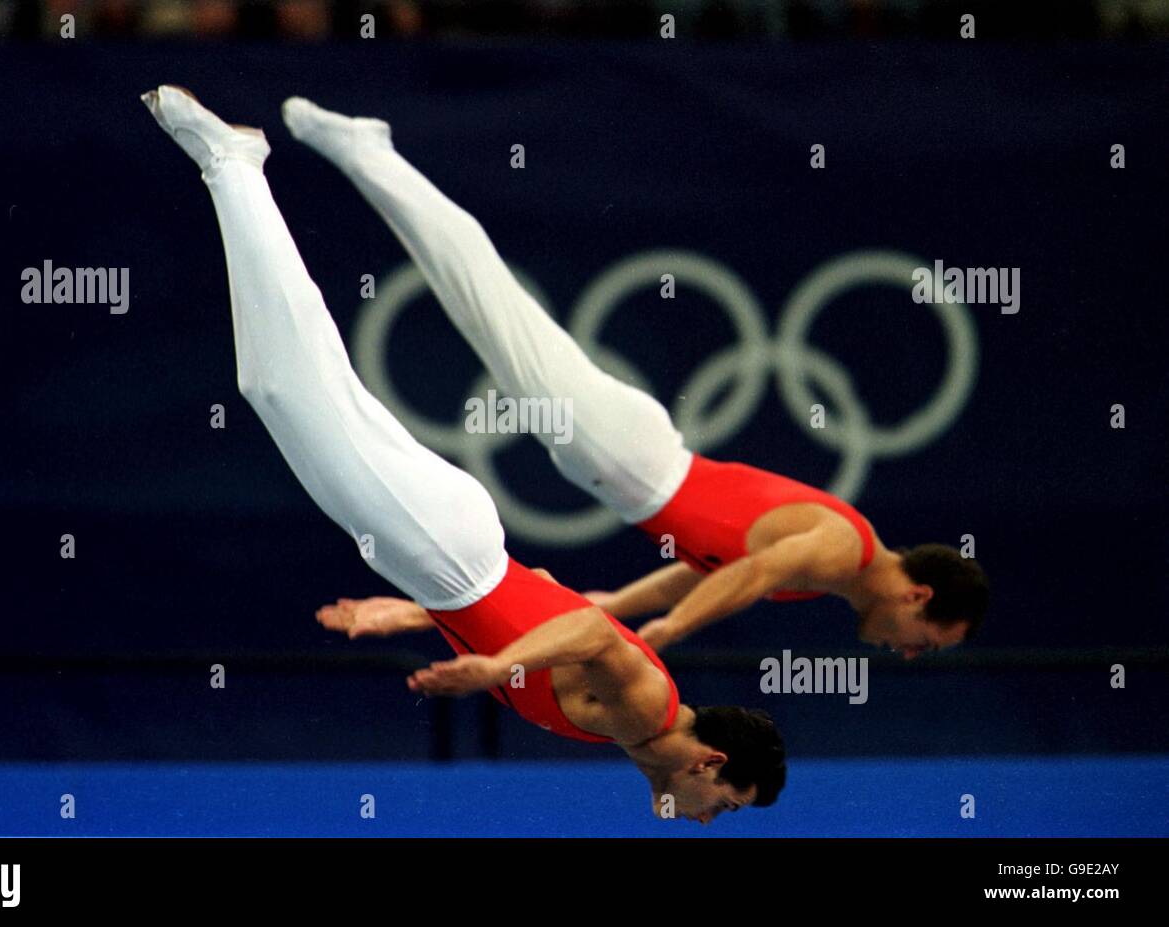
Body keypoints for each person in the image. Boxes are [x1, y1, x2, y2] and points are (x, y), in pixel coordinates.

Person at [141, 85, 785, 823]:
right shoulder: (647, 709)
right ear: (711, 761)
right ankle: (233, 163)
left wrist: (419, 615)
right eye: (725, 804)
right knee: (284, 385)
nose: (707, 818)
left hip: (450, 559)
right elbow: (596, 629)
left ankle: (246, 166)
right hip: (447, 549)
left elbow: (546, 589)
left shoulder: (630, 729)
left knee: (277, 385)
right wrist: (493, 664)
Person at [281, 97, 989, 660]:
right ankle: (368, 148)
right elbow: (748, 576)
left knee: (485, 306)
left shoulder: (832, 578)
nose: (909, 653)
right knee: (485, 300)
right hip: (632, 456)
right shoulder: (846, 545)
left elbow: (711, 563)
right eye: (927, 641)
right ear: (918, 595)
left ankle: (369, 154)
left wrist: (620, 604)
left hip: (622, 464)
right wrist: (674, 630)